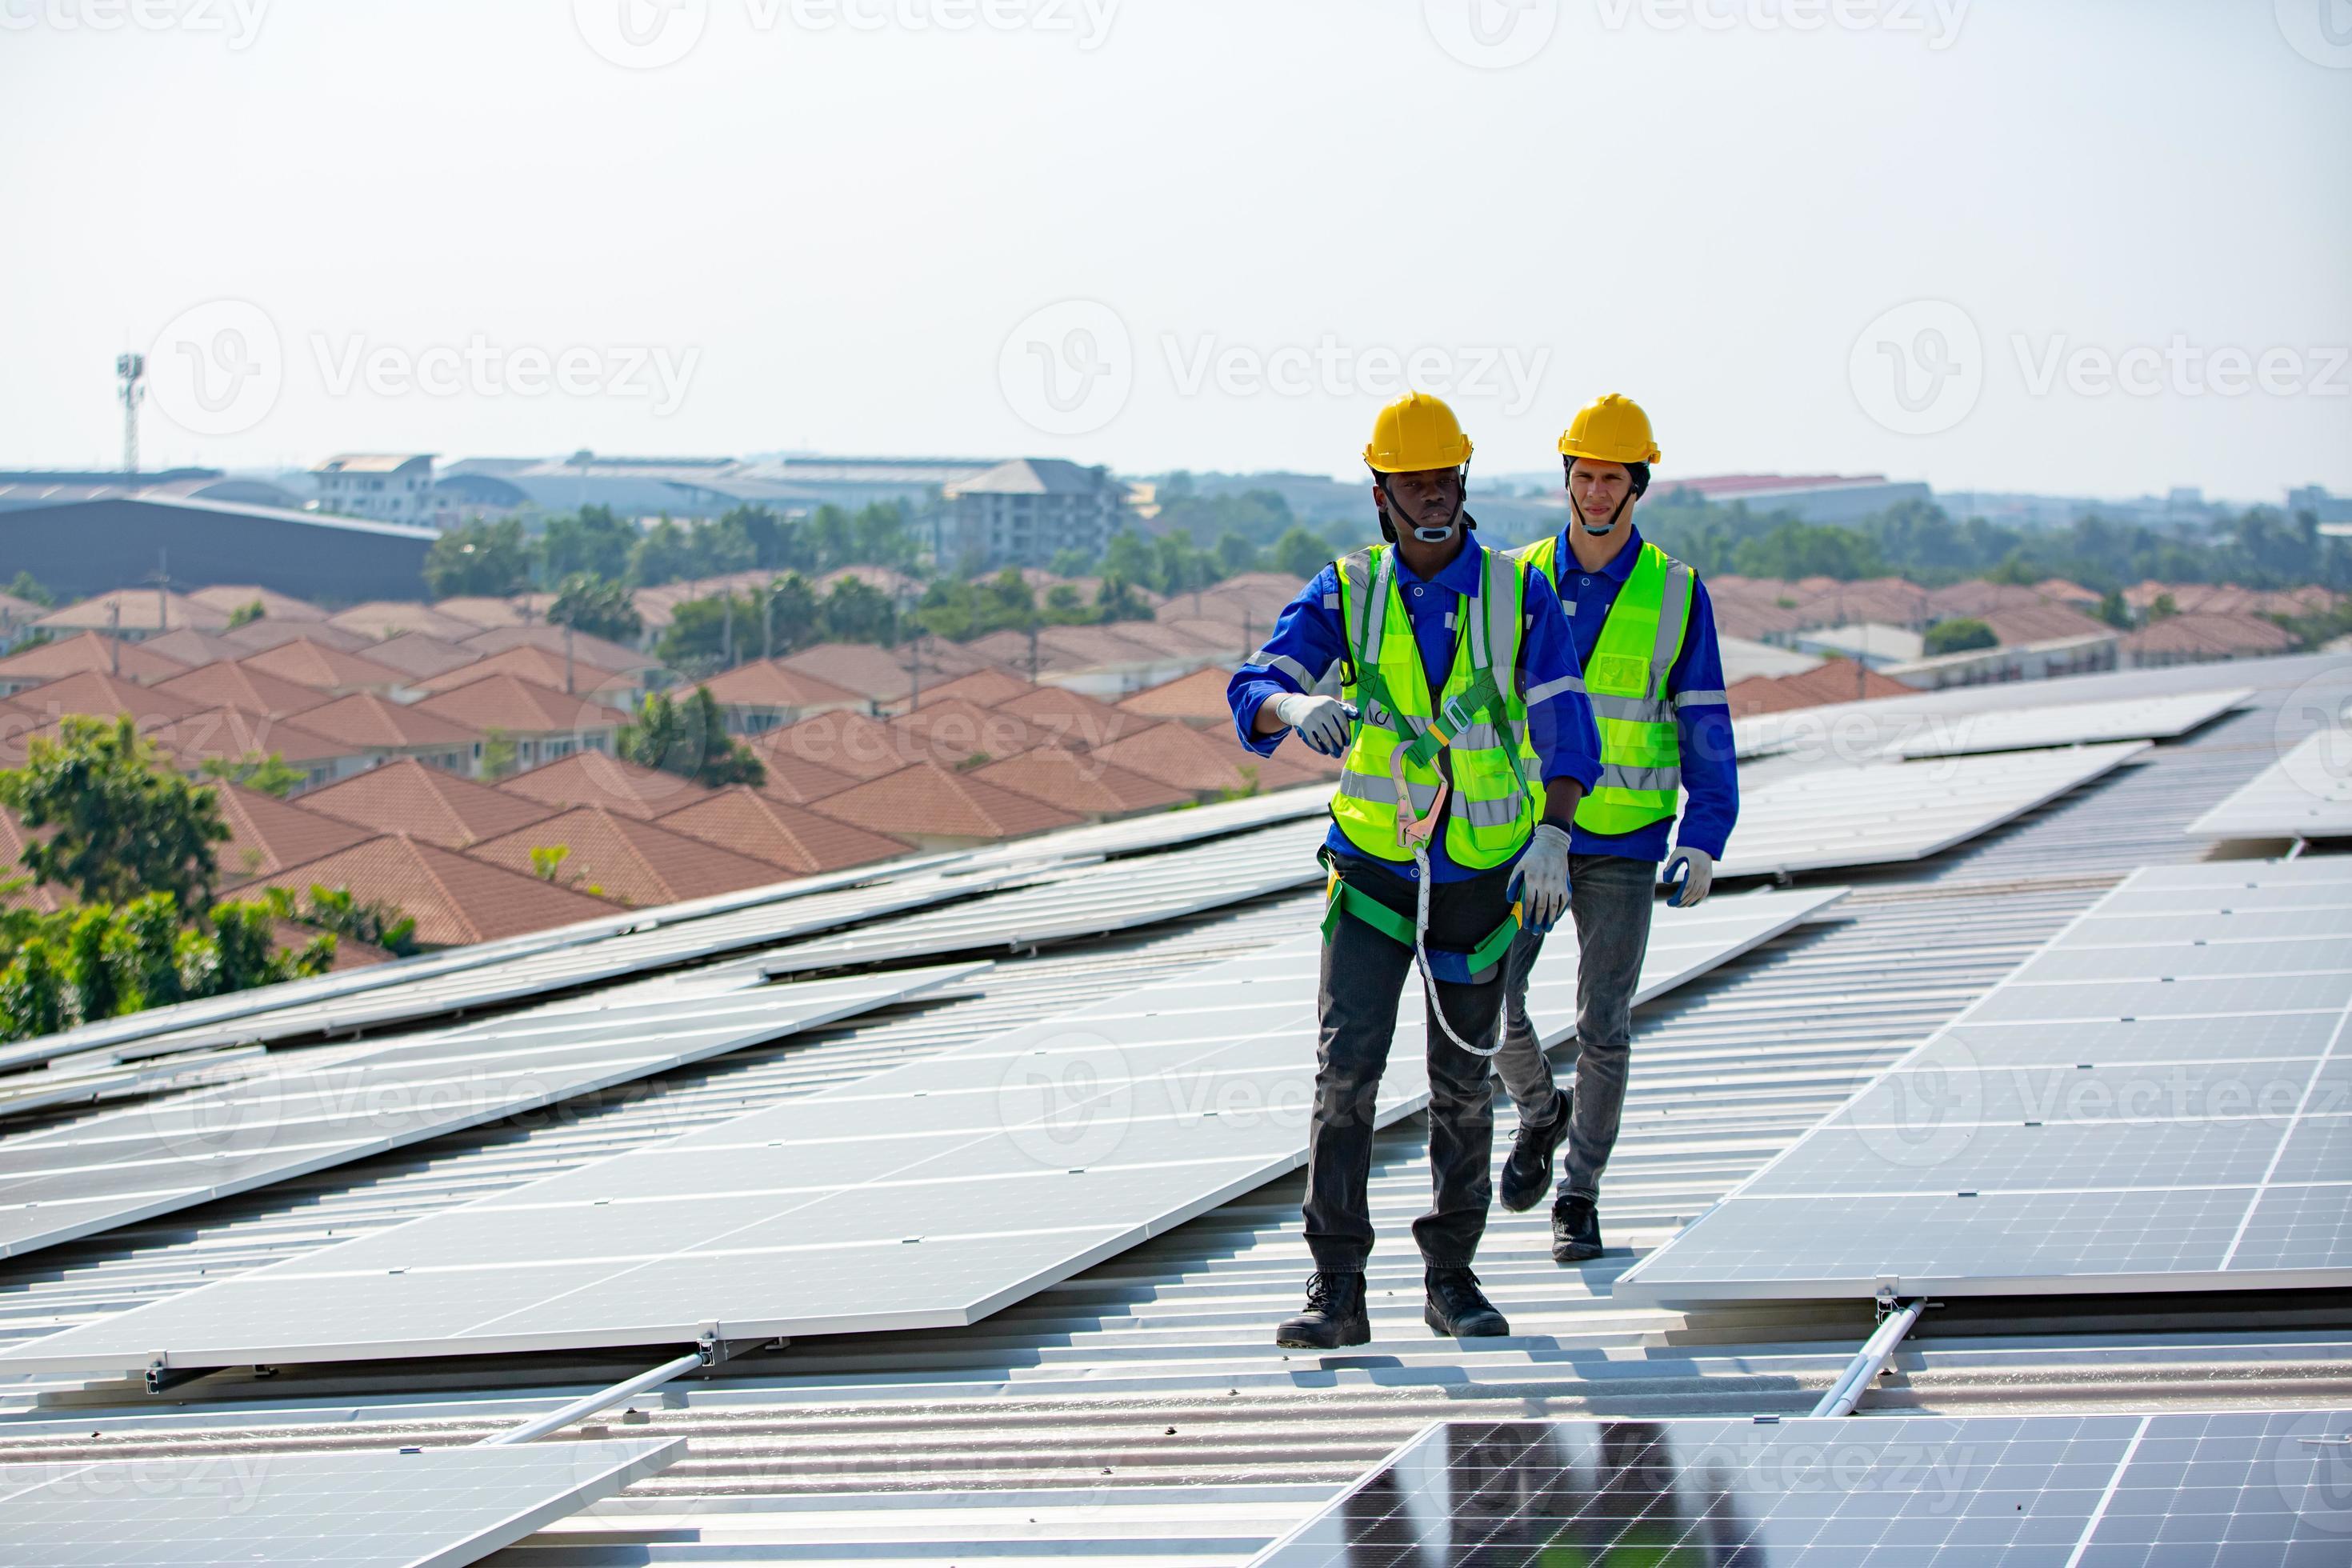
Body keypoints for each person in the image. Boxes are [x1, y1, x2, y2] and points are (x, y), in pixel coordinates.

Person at [1226, 391, 1603, 1348]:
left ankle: (1451, 1277)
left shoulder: (1517, 596)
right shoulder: (1348, 591)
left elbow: (1568, 724)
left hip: (1478, 880)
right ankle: (1336, 1289)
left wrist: (1556, 831)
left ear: (1463, 485)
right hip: (1375, 876)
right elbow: (1255, 681)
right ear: (1382, 494)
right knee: (1344, 1074)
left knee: (1461, 1085)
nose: (1431, 498)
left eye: (1444, 481)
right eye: (1412, 485)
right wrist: (1286, 710)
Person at [1489, 394, 1739, 1265]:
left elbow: (1704, 717)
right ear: (1567, 479)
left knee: (1604, 1024)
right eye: (1583, 475)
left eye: (1611, 478)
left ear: (1638, 485)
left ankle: (1579, 1194)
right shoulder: (1512, 580)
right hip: (1525, 836)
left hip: (1628, 840)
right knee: (1488, 1004)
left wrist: (1705, 834)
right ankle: (1537, 1112)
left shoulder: (1675, 592)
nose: (1595, 492)